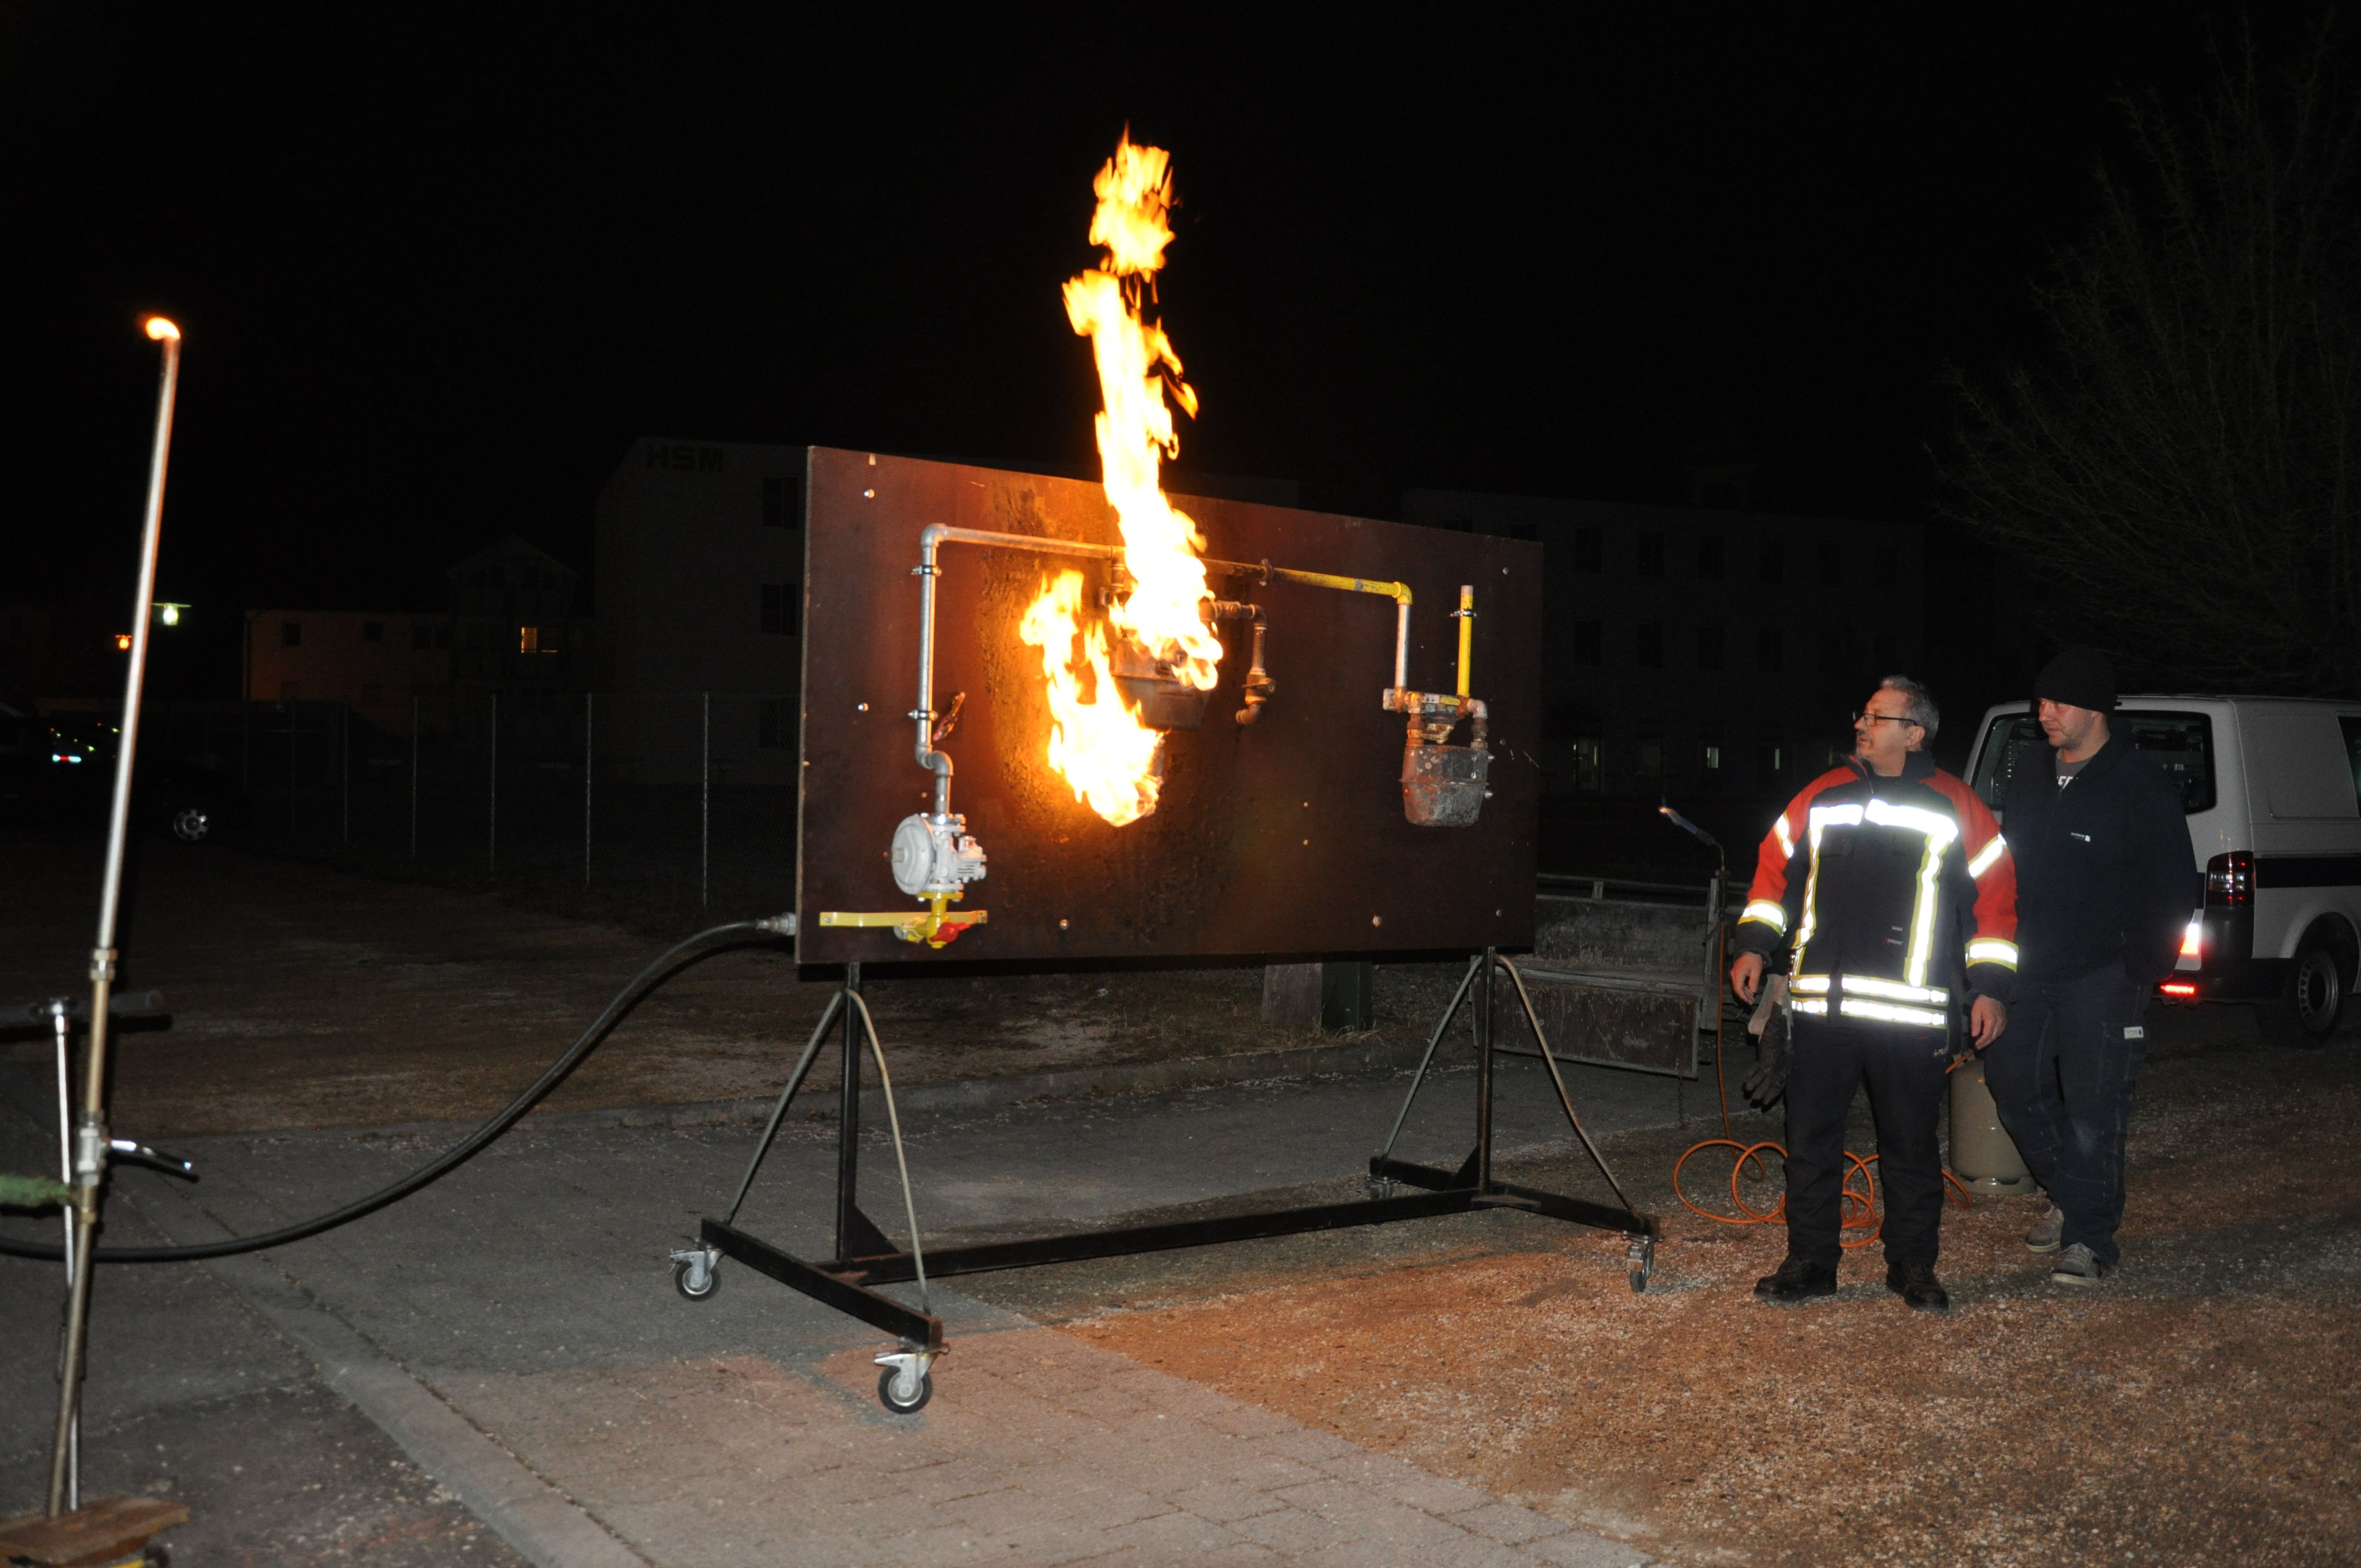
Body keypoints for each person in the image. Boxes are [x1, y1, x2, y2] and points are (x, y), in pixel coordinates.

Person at [1730, 676, 2018, 1313]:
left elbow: (1995, 905)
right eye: (1861, 713)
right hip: (1819, 1008)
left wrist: (1990, 989)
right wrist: (1752, 942)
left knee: (1910, 1147)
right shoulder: (1821, 795)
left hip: (1908, 1015)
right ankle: (1810, 1261)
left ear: (1914, 732)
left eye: (1876, 717)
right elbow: (1772, 872)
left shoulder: (1957, 806)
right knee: (1809, 1141)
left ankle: (1912, 1264)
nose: (1860, 724)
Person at [1985, 648, 2197, 1287]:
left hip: (2102, 973)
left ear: (2096, 708)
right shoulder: (2030, 772)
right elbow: (2007, 866)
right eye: (2040, 700)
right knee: (2013, 1086)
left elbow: (2172, 887)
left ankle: (2090, 1237)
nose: (2042, 712)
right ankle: (2074, 1195)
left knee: (2093, 1108)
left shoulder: (2140, 784)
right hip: (2029, 967)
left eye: (2057, 702)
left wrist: (2142, 968)